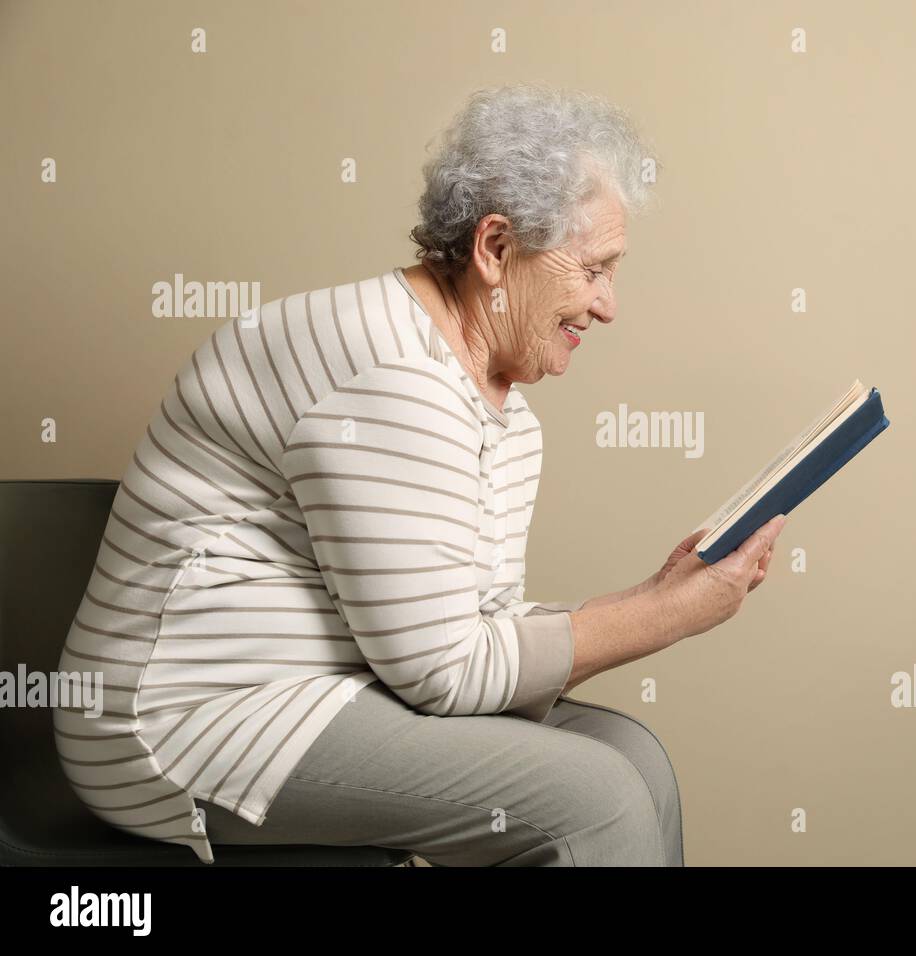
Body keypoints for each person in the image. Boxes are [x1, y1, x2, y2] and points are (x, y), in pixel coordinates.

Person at [54, 83, 786, 866]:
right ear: (496, 249)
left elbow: (469, 625)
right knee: (595, 803)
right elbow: (448, 671)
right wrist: (667, 616)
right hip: (182, 718)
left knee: (635, 760)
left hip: (342, 686)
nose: (608, 306)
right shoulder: (389, 372)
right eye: (595, 269)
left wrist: (654, 593)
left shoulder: (497, 403)